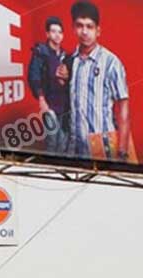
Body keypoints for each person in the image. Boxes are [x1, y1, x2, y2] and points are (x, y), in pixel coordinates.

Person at [65, 2, 131, 161]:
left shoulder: (111, 62)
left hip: (103, 148)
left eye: (90, 26)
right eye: (80, 26)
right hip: (74, 147)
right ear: (73, 28)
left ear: (98, 31)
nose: (84, 32)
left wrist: (122, 150)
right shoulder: (69, 61)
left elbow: (123, 106)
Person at [27, 16, 72, 153]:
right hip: (50, 105)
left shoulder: (66, 56)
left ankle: (62, 172)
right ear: (47, 34)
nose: (57, 35)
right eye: (53, 31)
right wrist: (41, 99)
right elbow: (33, 76)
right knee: (52, 142)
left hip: (65, 106)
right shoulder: (41, 53)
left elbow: (71, 80)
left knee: (64, 142)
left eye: (59, 32)